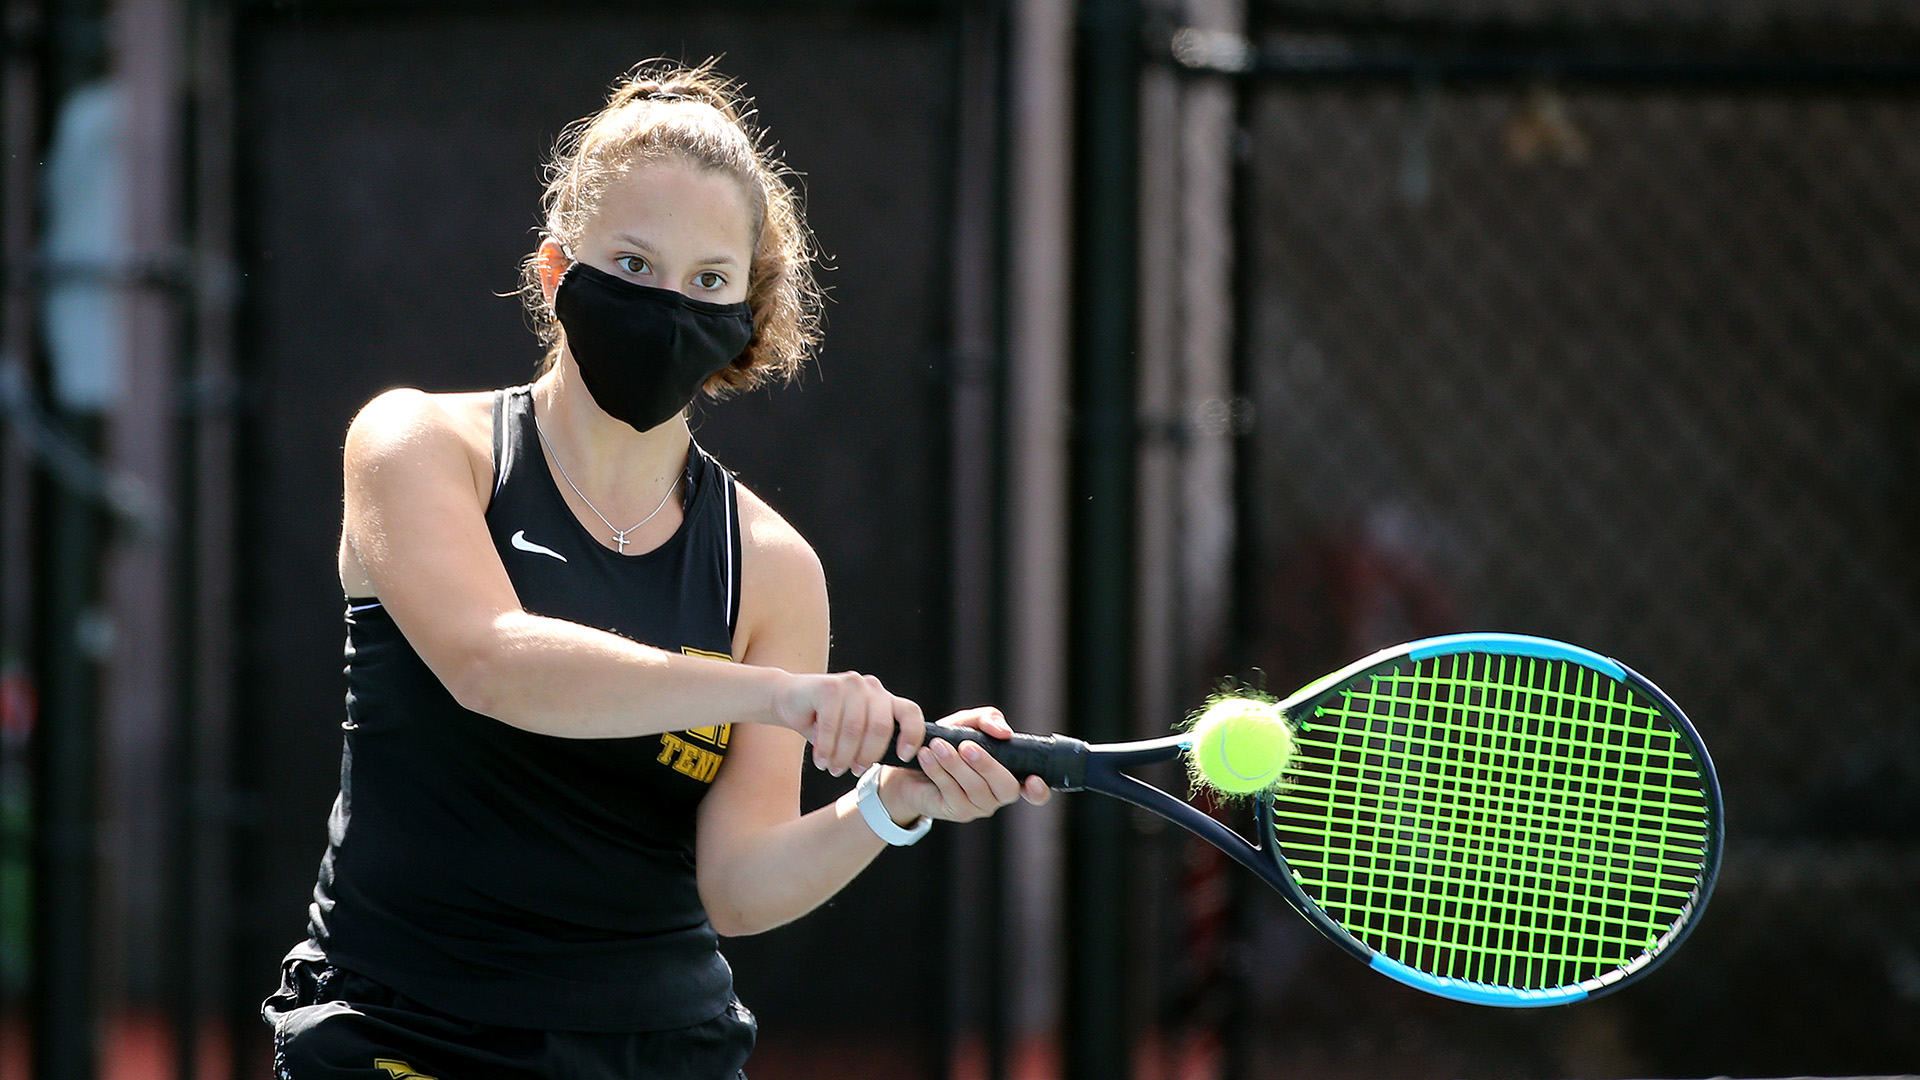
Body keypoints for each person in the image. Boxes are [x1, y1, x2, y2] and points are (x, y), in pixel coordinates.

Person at [262, 61, 1049, 1080]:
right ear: (555, 271)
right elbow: (491, 665)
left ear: (747, 313)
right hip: (402, 1032)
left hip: (663, 1049)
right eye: (633, 264)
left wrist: (888, 806)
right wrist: (781, 697)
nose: (670, 304)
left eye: (709, 282)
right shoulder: (419, 443)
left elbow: (737, 887)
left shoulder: (771, 568)